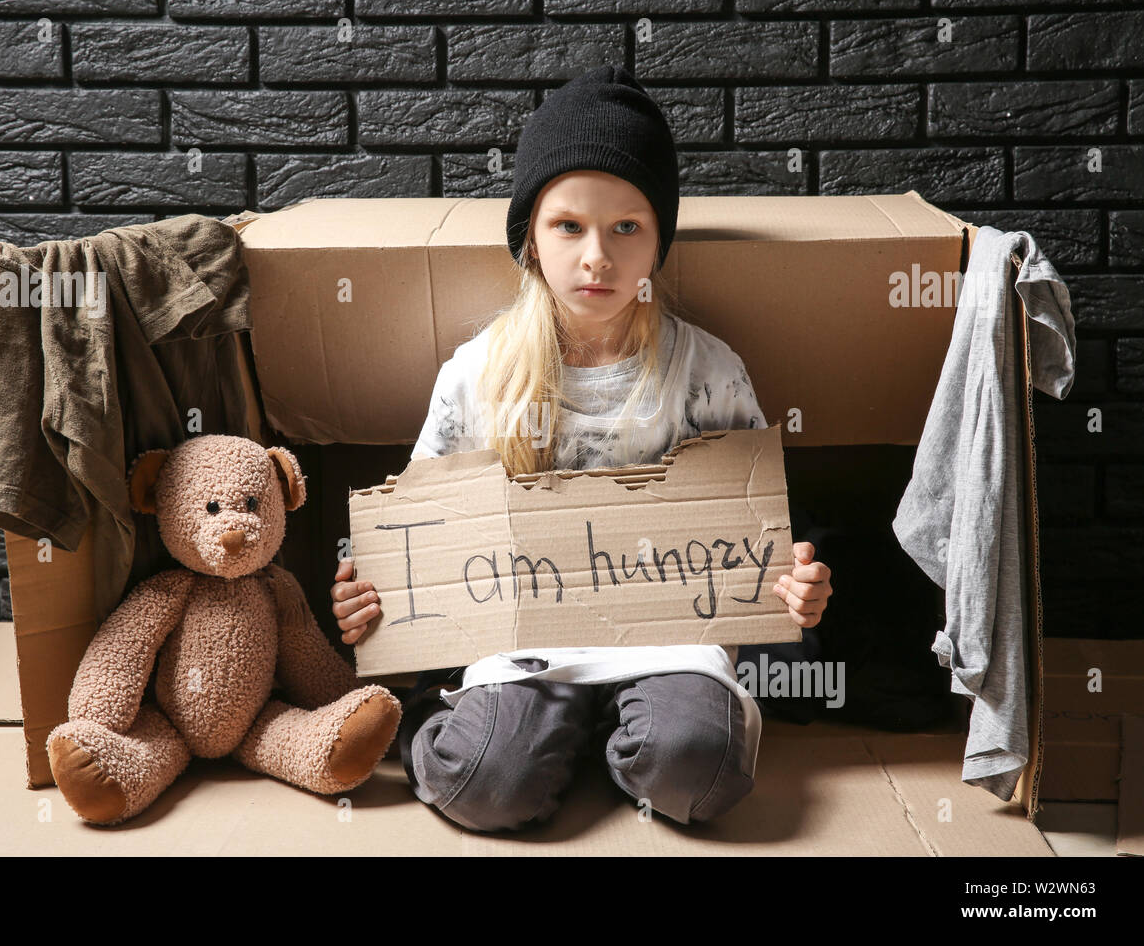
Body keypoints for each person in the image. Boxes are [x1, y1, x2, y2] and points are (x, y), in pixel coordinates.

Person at [330, 65, 833, 833]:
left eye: (626, 227)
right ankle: (535, 734)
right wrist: (376, 597)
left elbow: (752, 542)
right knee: (488, 785)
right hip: (524, 647)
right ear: (530, 236)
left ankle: (622, 735)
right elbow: (418, 539)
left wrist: (793, 588)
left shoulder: (707, 372)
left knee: (699, 770)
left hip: (670, 644)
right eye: (569, 225)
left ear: (659, 239)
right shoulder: (478, 374)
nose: (597, 256)